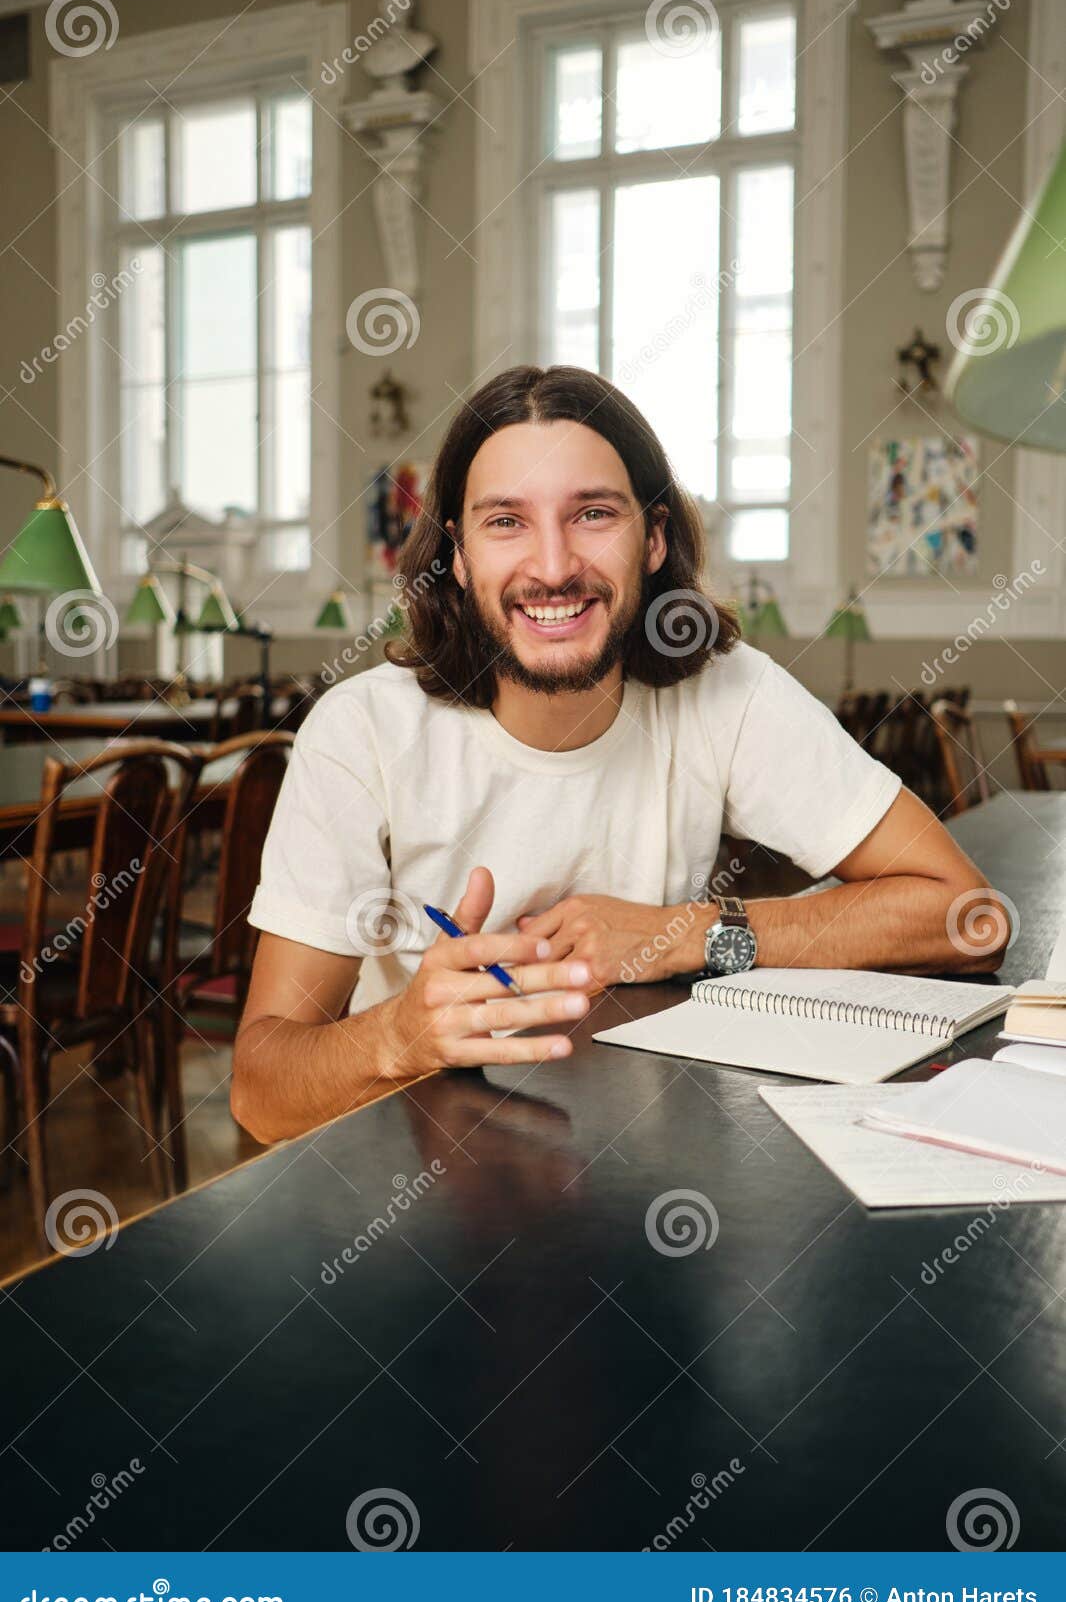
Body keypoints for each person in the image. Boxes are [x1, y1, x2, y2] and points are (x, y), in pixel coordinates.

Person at [232, 365, 1007, 1143]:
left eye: (593, 513)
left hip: (645, 1165)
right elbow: (261, 1093)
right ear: (458, 559)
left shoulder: (725, 693)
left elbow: (969, 918)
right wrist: (399, 1034)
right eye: (506, 522)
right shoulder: (361, 733)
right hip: (416, 1199)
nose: (554, 565)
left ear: (656, 538)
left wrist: (689, 931)